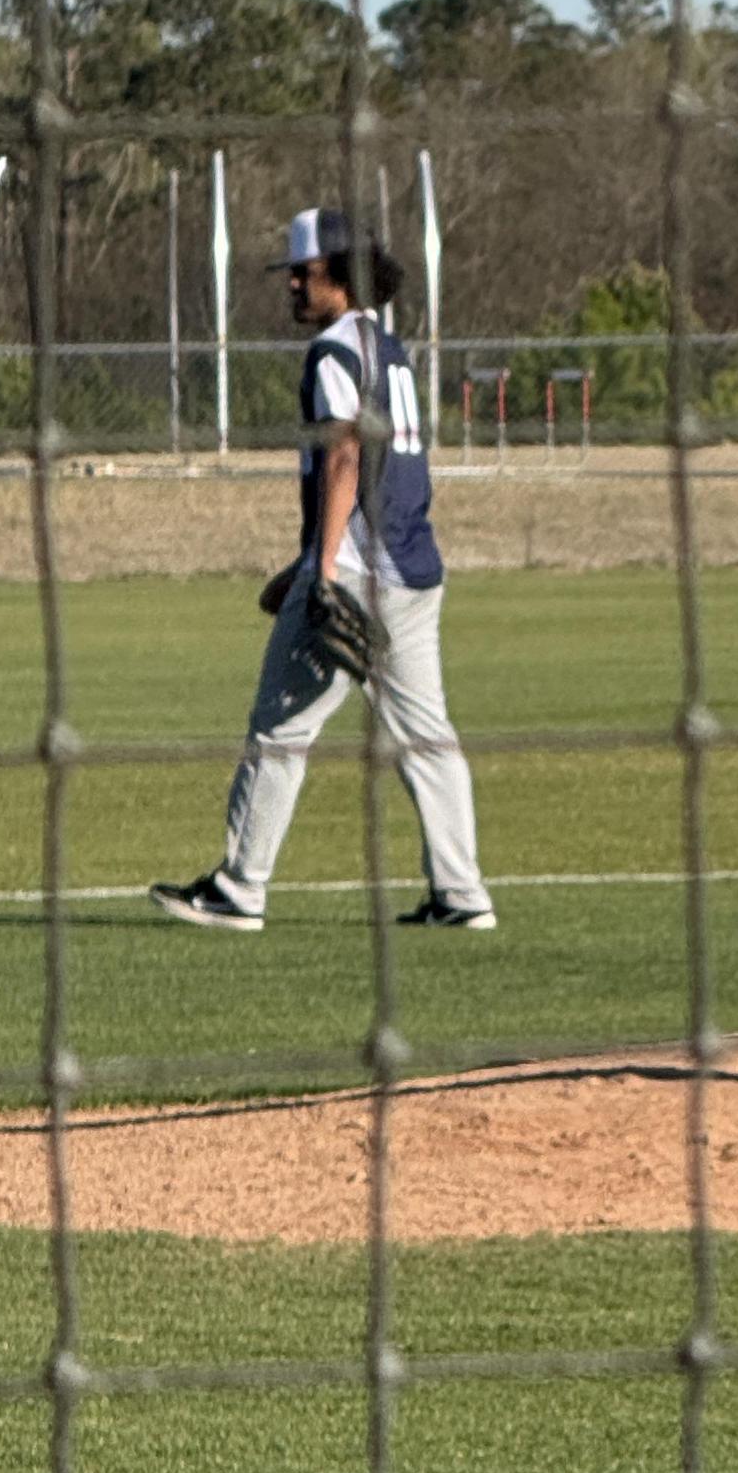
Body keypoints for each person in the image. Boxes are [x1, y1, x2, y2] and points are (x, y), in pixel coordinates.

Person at [151, 205, 496, 932]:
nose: (291, 288)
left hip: (358, 570)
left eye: (302, 274)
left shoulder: (333, 353)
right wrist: (300, 563)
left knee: (280, 730)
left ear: (340, 274)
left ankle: (239, 889)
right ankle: (463, 897)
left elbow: (344, 458)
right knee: (427, 737)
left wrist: (326, 572)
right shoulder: (390, 350)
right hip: (412, 567)